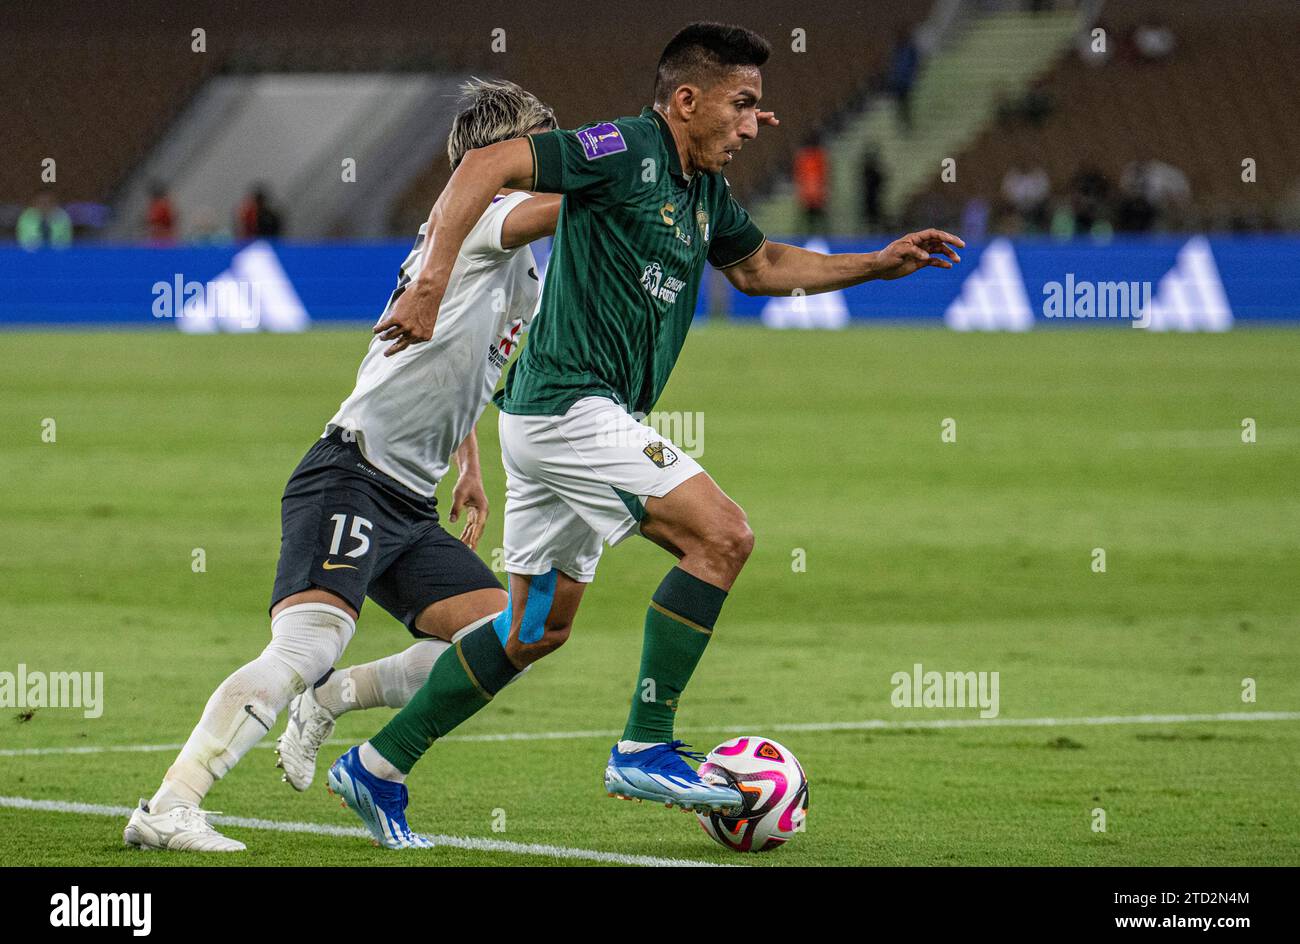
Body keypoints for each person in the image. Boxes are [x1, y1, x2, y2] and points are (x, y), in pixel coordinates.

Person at [342, 21, 963, 847]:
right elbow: (487, 163)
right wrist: (429, 285)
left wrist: (875, 264)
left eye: (757, 108)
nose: (753, 125)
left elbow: (758, 267)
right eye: (741, 106)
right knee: (725, 536)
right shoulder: (622, 149)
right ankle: (644, 743)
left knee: (534, 630)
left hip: (558, 417)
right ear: (684, 100)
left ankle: (377, 767)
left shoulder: (703, 191)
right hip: (570, 406)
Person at [122, 78, 562, 852]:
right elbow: (576, 202)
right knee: (304, 646)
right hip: (352, 475)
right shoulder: (490, 217)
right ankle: (170, 803)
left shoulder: (515, 259)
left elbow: (461, 358)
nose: (554, 159)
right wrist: (638, 170)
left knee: (507, 634)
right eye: (540, 145)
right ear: (501, 158)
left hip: (409, 500)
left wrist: (468, 462)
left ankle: (334, 699)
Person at [792, 132, 829, 234]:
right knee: (809, 218)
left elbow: (824, 175)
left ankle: (820, 234)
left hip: (815, 195)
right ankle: (806, 235)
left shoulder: (817, 157)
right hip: (810, 195)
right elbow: (799, 176)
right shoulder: (806, 158)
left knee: (817, 218)